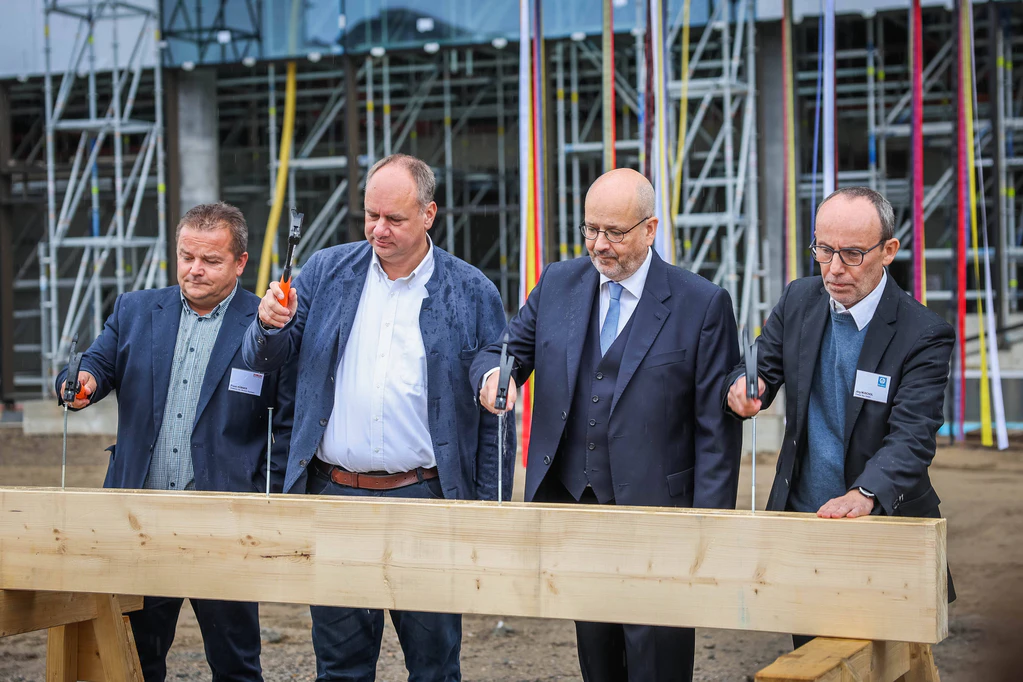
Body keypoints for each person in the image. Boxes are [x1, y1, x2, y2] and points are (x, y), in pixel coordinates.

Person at [242, 153, 509, 682]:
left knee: (434, 665)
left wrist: (490, 510)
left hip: (427, 501)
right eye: (370, 215)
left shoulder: (472, 291)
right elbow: (268, 361)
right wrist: (268, 324)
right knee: (340, 667)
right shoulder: (324, 272)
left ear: (429, 214)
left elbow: (493, 415)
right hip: (335, 496)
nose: (378, 230)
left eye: (394, 219)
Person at [472, 168, 741, 682]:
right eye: (591, 230)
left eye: (614, 233)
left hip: (661, 519)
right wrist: (493, 377)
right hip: (577, 509)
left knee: (657, 661)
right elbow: (505, 352)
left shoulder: (701, 303)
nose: (599, 245)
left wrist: (709, 532)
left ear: (650, 228)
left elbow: (715, 432)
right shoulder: (557, 283)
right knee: (596, 656)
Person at [56, 201, 295, 682]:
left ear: (240, 263)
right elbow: (96, 365)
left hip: (223, 520)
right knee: (136, 658)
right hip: (139, 517)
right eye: (187, 256)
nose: (195, 269)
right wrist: (78, 382)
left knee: (235, 662)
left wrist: (261, 492)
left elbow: (287, 422)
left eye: (211, 260)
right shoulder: (136, 310)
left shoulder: (267, 323)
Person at [723, 186, 956, 645]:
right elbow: (758, 367)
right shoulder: (799, 300)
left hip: (882, 528)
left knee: (885, 664)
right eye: (823, 249)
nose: (833, 269)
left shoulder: (923, 333)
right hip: (805, 524)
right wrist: (746, 390)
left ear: (889, 251)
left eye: (851, 254)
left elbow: (913, 435)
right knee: (809, 655)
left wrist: (866, 491)